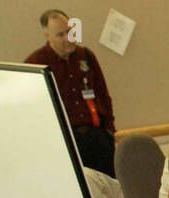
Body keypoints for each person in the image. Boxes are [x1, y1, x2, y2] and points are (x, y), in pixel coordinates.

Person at [25, 9, 116, 176]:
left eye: (70, 31)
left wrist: (109, 130)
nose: (68, 38)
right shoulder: (35, 64)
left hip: (97, 139)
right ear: (47, 35)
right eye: (60, 35)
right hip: (65, 143)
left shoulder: (86, 56)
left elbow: (103, 95)